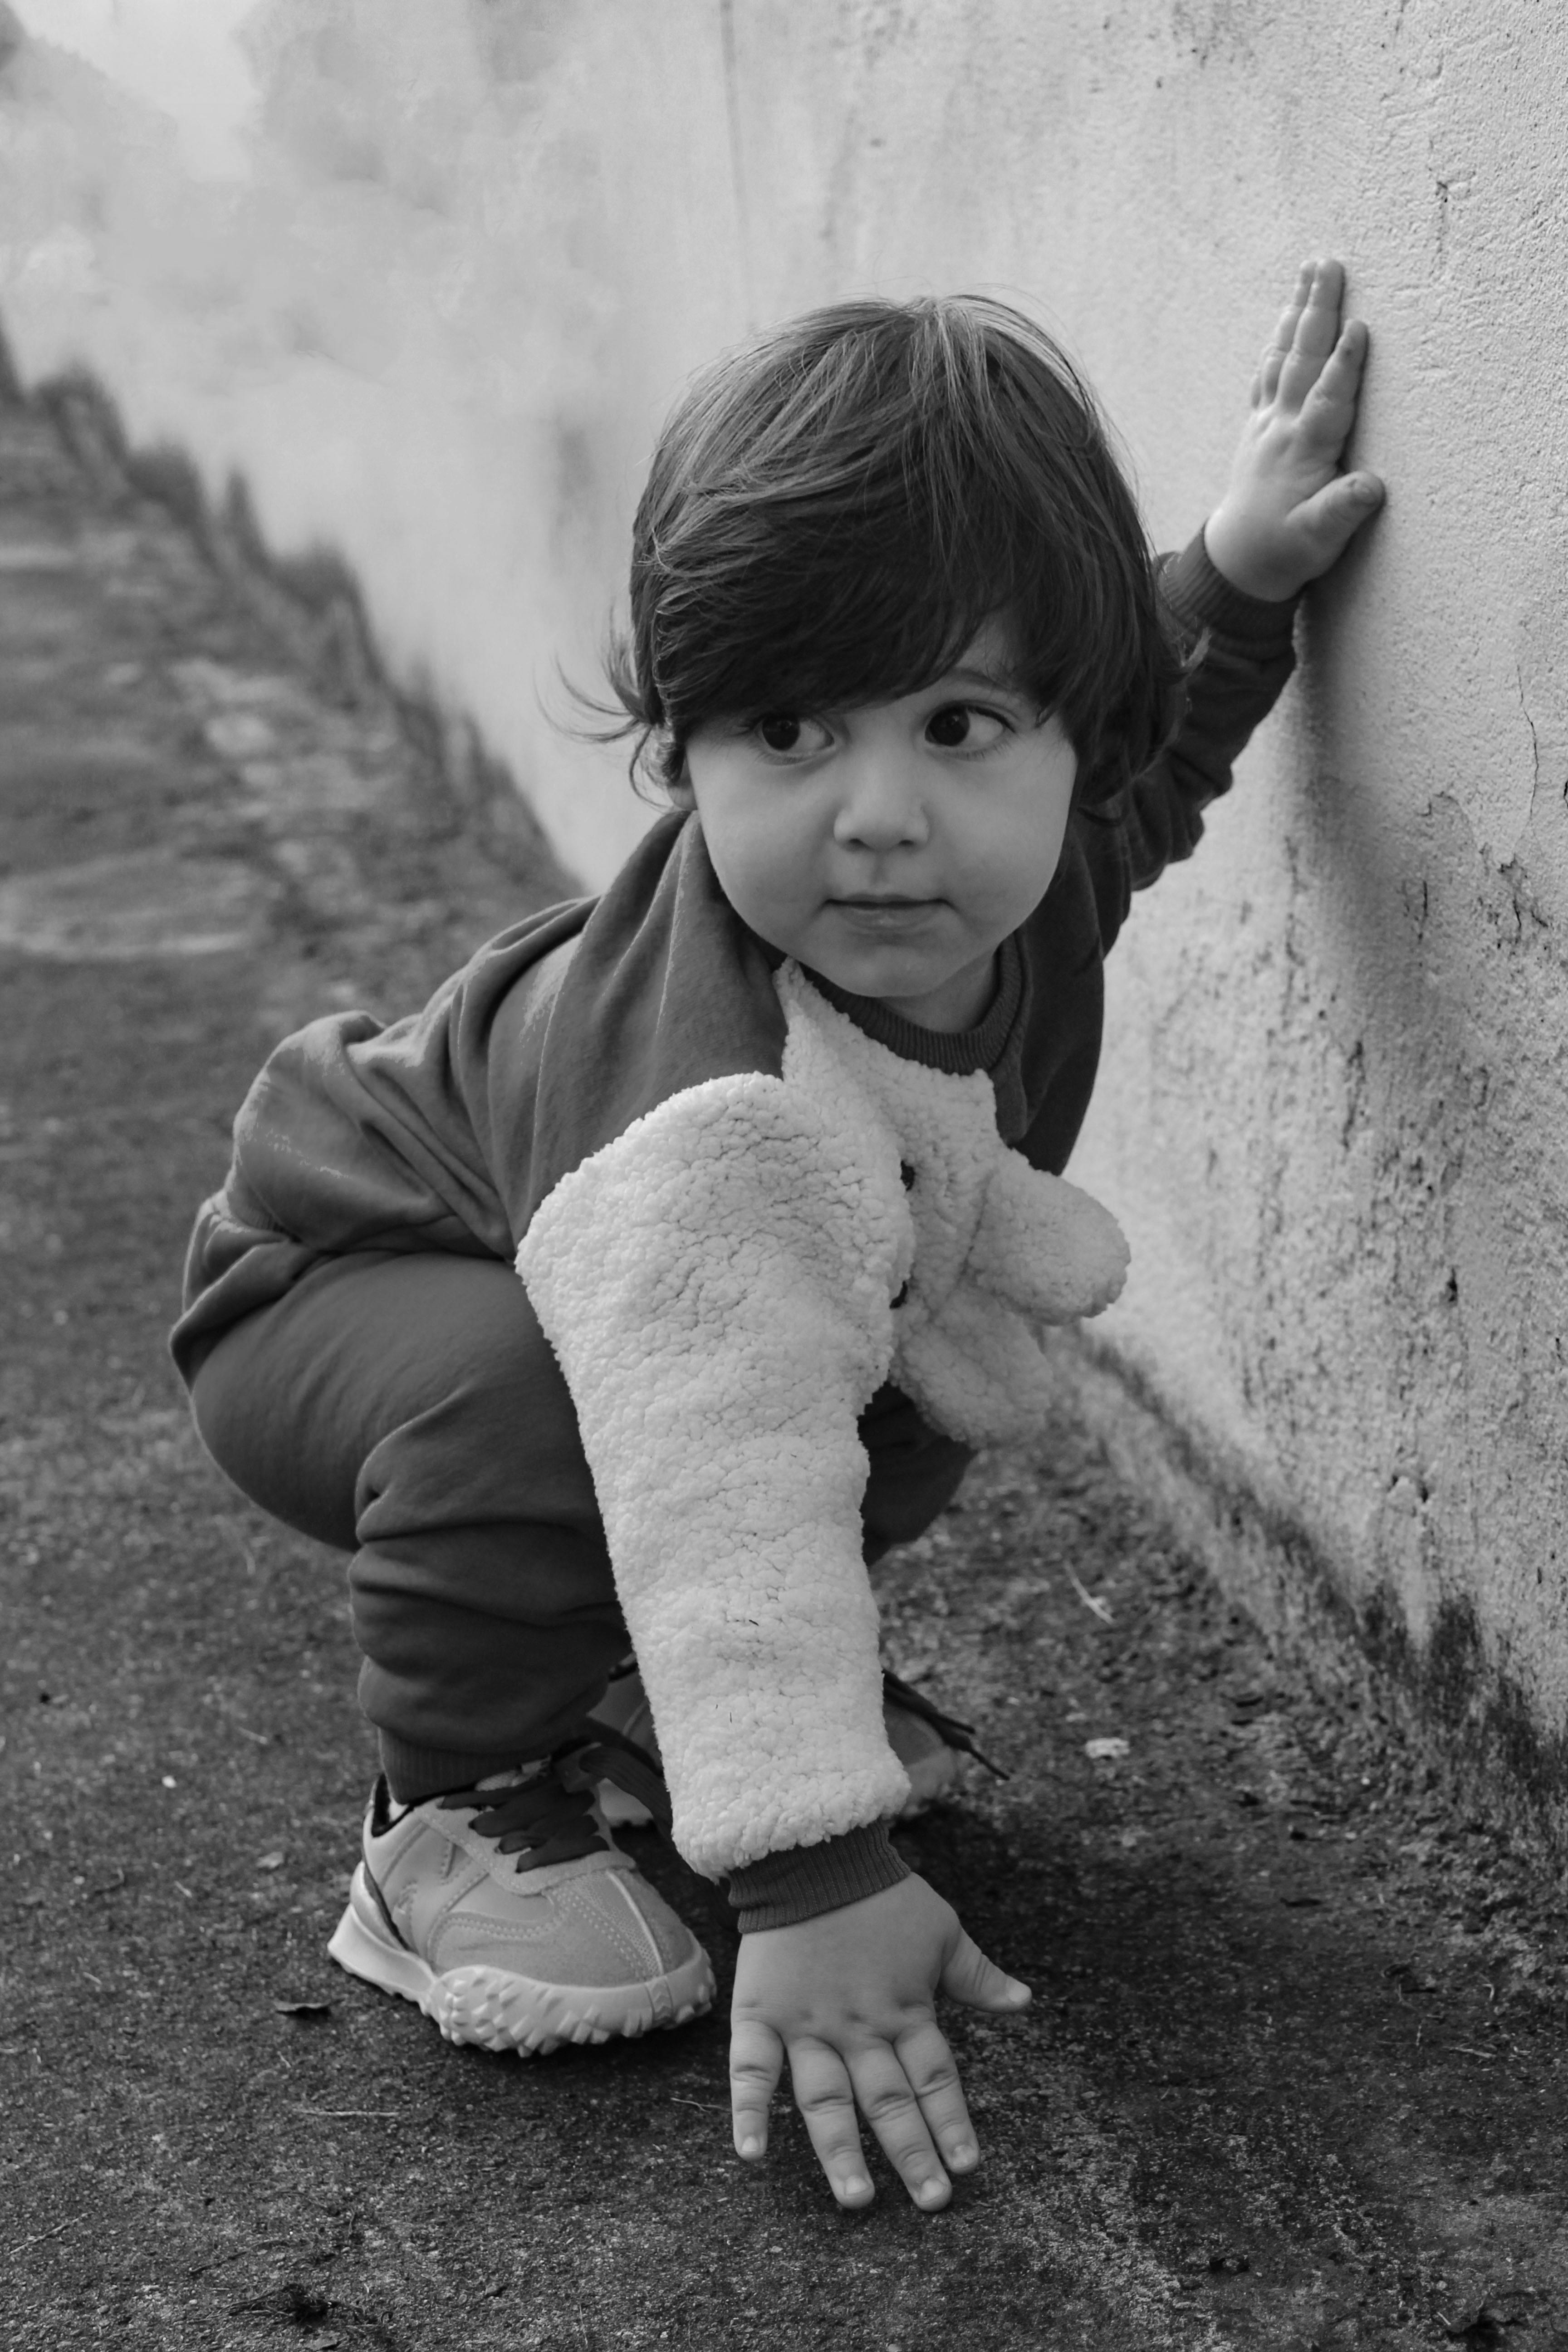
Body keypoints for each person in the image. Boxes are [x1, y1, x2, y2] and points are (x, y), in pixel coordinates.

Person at [172, 257, 1383, 2215]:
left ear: (1068, 733)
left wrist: (1237, 573)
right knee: (584, 1423)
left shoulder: (1038, 865)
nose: (882, 817)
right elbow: (717, 1471)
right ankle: (447, 1807)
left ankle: (621, 1683)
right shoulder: (715, 1116)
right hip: (338, 1288)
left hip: (612, 1285)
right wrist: (808, 1872)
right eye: (789, 731)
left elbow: (1154, 761)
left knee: (884, 1403)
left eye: (961, 721)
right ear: (682, 751)